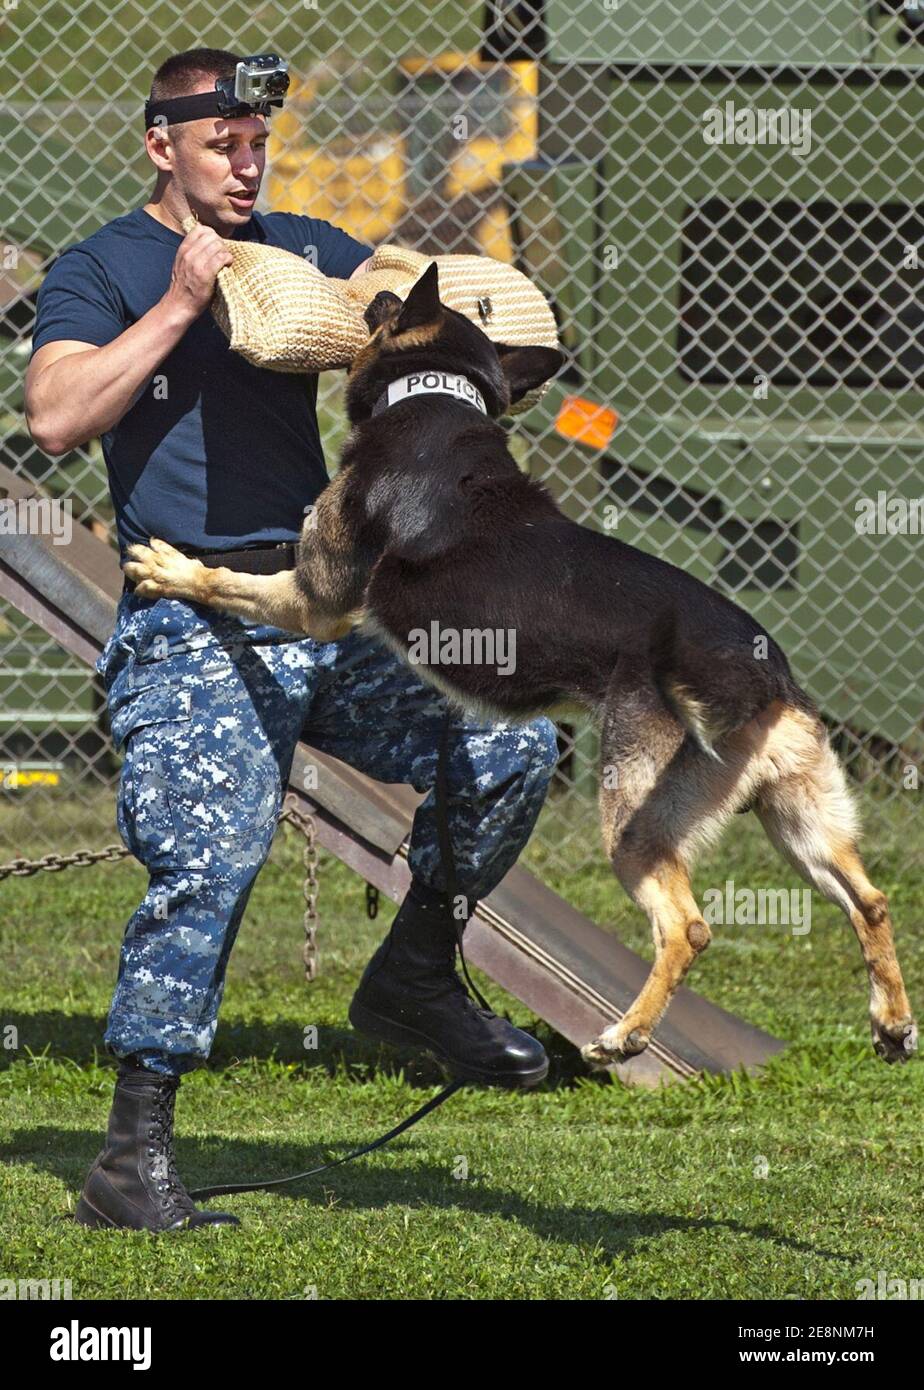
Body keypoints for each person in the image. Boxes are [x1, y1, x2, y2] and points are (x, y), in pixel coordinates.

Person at [24, 47, 559, 1233]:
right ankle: (130, 1158)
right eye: (224, 145)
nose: (247, 162)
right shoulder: (104, 267)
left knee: (509, 738)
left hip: (316, 608)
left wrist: (463, 318)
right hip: (190, 615)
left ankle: (416, 972)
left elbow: (399, 292)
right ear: (162, 145)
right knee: (211, 854)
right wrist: (177, 301)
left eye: (259, 141)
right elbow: (56, 415)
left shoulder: (300, 242)